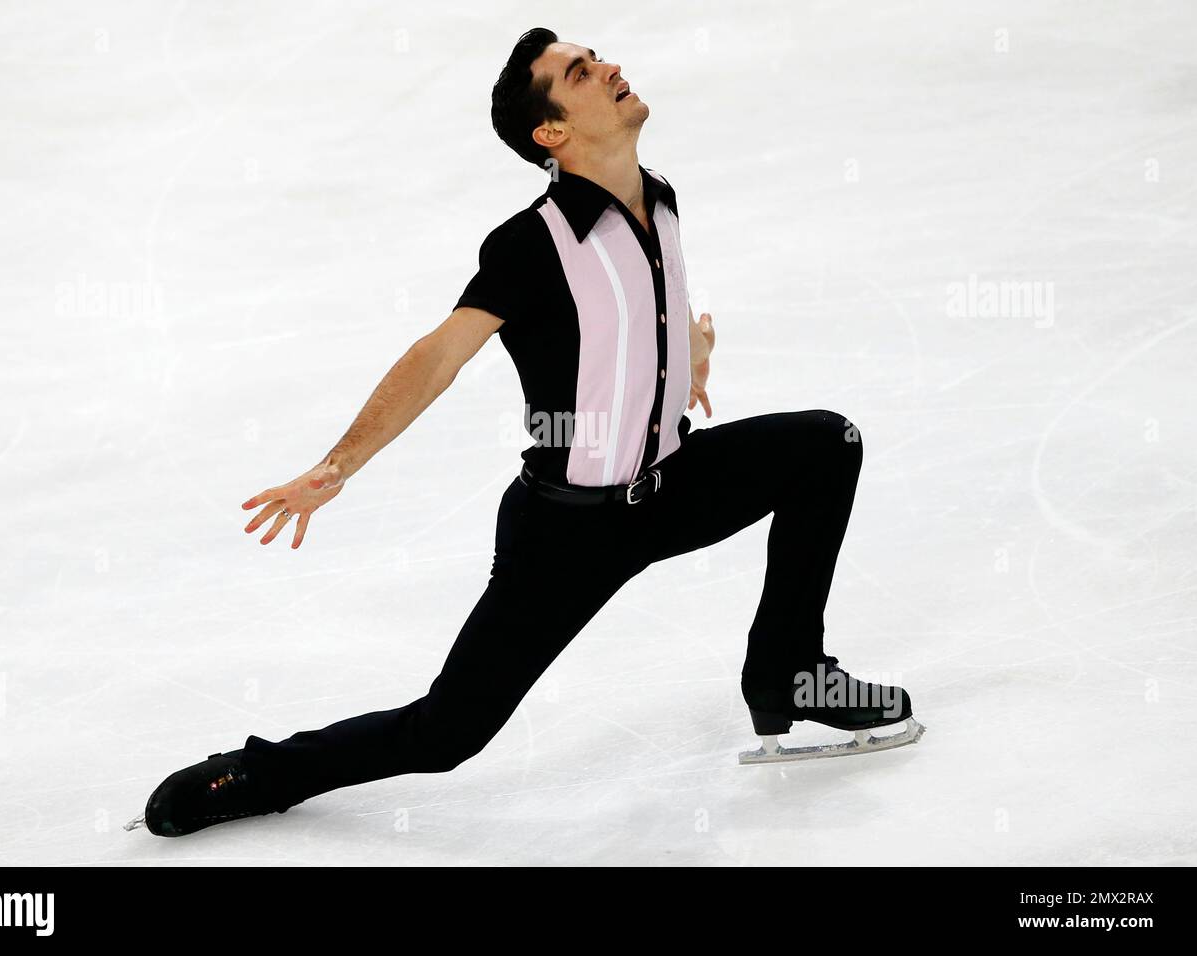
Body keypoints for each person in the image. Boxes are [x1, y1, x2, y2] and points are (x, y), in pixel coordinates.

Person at [131, 27, 921, 839]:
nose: (610, 66)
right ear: (551, 132)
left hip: (672, 484)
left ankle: (790, 672)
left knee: (827, 446)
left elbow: (635, 316)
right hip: (569, 530)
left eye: (597, 57)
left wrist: (688, 355)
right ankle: (261, 773)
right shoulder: (527, 246)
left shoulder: (661, 198)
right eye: (581, 72)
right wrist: (338, 465)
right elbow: (438, 356)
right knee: (446, 735)